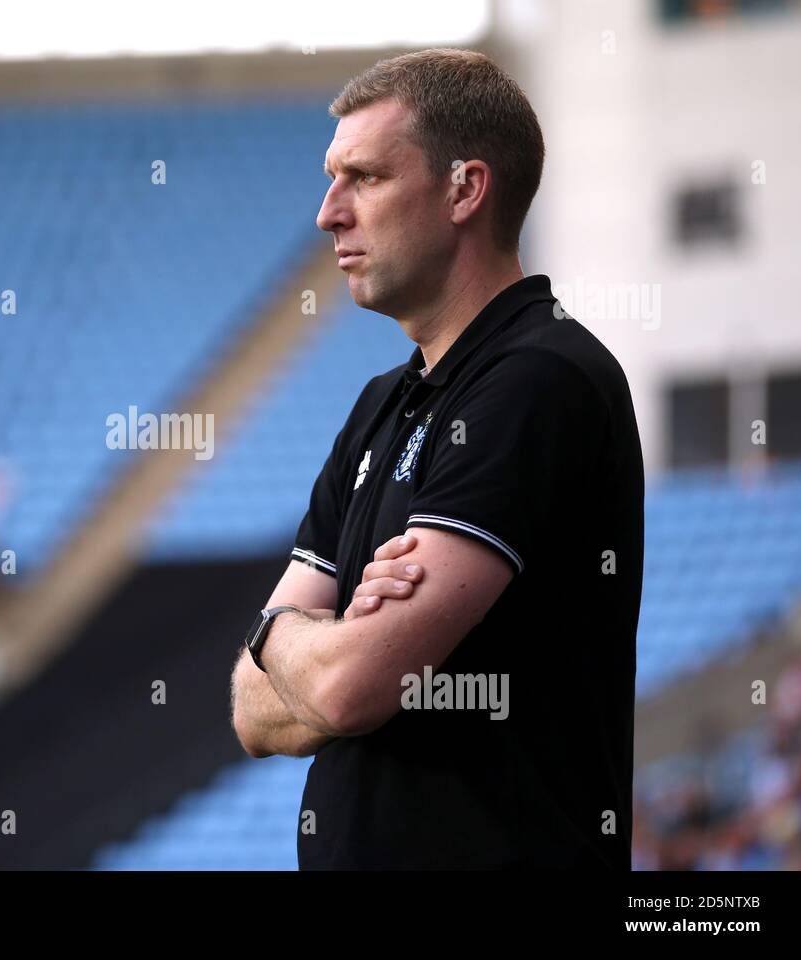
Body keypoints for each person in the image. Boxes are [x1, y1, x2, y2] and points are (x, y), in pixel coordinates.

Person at [231, 48, 645, 869]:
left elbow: (347, 690)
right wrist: (331, 643)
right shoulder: (380, 404)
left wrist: (277, 630)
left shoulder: (539, 378)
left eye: (365, 178)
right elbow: (251, 713)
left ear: (464, 189)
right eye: (333, 179)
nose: (328, 214)